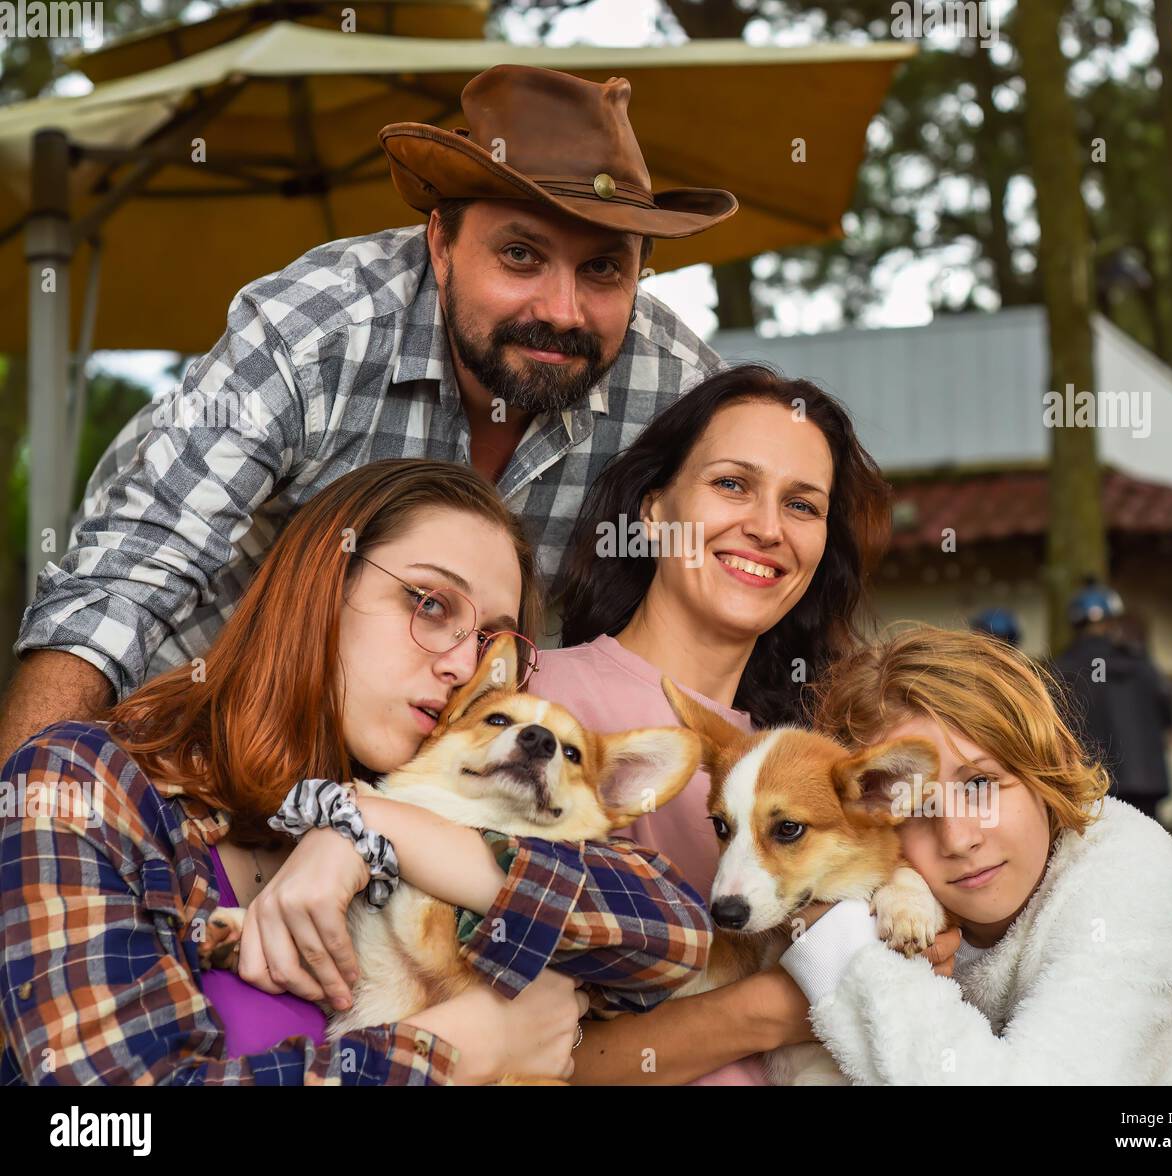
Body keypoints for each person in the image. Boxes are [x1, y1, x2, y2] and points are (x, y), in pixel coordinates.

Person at [1, 63, 738, 765]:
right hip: (197, 703)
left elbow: (752, 595)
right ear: (441, 244)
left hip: (441, 761)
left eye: (604, 267)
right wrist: (27, 813)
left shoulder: (683, 395)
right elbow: (129, 577)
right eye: (520, 254)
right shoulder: (315, 328)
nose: (561, 310)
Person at [0, 460, 709, 1086]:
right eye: (429, 604)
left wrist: (365, 825)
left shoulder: (427, 815)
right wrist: (460, 1049)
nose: (464, 666)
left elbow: (673, 935)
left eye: (494, 639)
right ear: (319, 589)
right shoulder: (78, 785)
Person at [528, 364, 961, 1085]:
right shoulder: (540, 704)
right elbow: (526, 1057)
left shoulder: (795, 751)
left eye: (802, 505)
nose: (765, 528)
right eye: (732, 483)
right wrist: (787, 1001)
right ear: (654, 508)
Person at [778, 624, 1172, 1086]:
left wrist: (842, 951)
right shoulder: (890, 888)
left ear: (1044, 765)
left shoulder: (1130, 873)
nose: (958, 839)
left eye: (980, 784)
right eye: (913, 809)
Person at [1050, 579, 1172, 821]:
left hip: (1091, 784)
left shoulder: (1061, 669)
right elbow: (1167, 707)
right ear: (1112, 622)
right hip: (1145, 782)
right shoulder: (1141, 664)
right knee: (1148, 850)